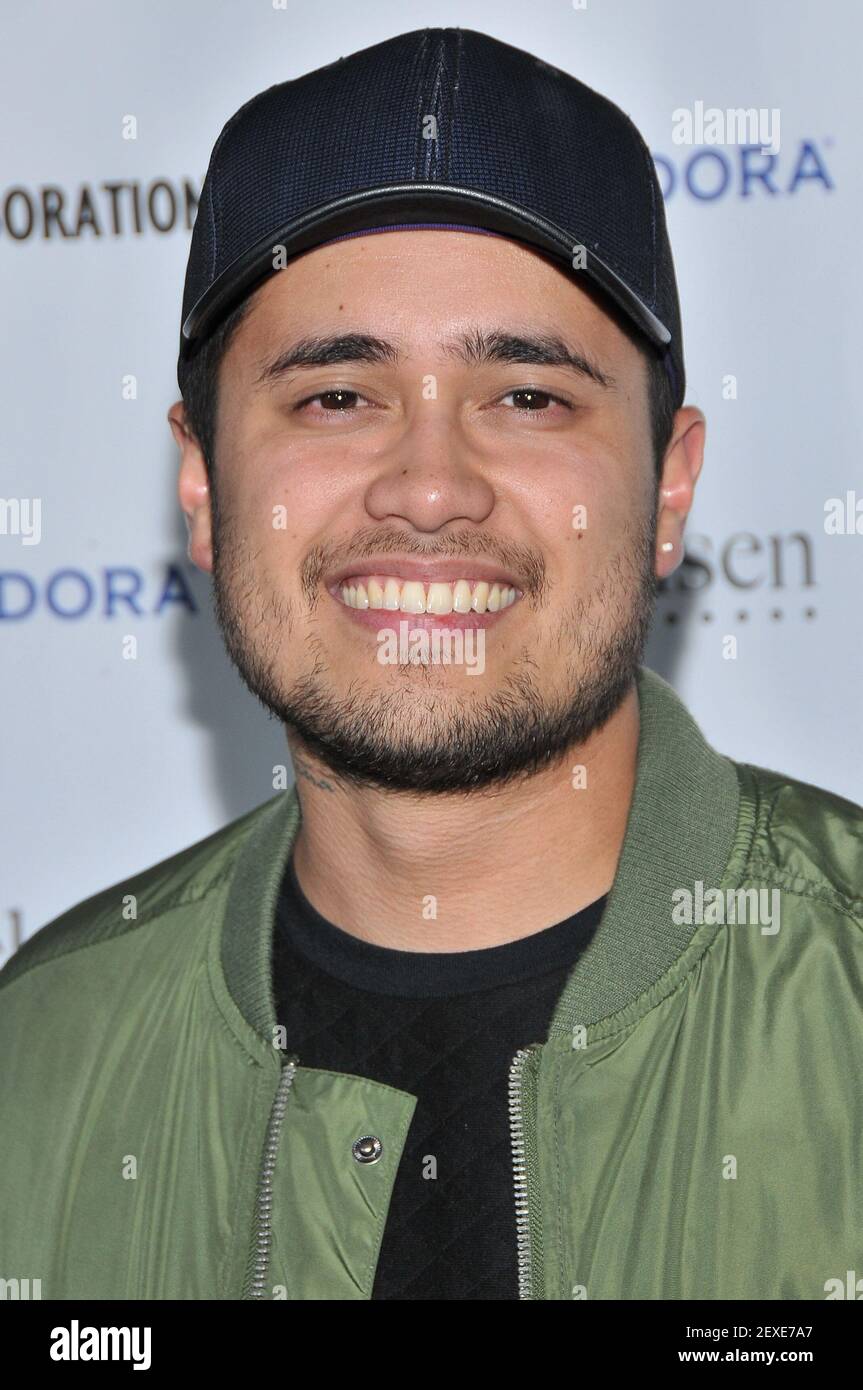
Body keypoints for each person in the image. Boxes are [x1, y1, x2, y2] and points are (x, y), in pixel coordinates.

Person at [1, 27, 861, 1302]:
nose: (428, 487)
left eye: (526, 397)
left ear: (668, 486)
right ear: (200, 481)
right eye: (337, 396)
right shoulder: (38, 1057)